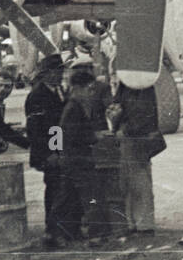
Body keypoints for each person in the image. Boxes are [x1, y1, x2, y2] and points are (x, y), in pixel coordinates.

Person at [26, 52, 80, 246]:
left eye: (62, 70)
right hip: (49, 153)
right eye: (56, 71)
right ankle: (52, 232)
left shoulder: (58, 91)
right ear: (46, 73)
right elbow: (37, 130)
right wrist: (51, 153)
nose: (60, 74)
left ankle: (66, 230)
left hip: (59, 150)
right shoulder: (37, 96)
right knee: (55, 191)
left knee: (64, 190)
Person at [59, 68, 111, 240]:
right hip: (78, 160)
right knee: (92, 197)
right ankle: (97, 234)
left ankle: (64, 234)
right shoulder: (73, 107)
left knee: (72, 198)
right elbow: (72, 135)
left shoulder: (74, 105)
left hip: (73, 159)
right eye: (89, 89)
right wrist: (95, 136)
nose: (91, 93)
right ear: (77, 89)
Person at [108, 72, 162, 236]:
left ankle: (140, 223)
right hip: (138, 138)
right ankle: (141, 222)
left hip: (132, 138)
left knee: (136, 182)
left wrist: (121, 127)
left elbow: (137, 112)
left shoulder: (129, 85)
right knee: (139, 180)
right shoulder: (144, 84)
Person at [0, 70, 29, 161]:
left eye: (7, 86)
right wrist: (28, 144)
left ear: (11, 89)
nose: (3, 89)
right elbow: (2, 130)